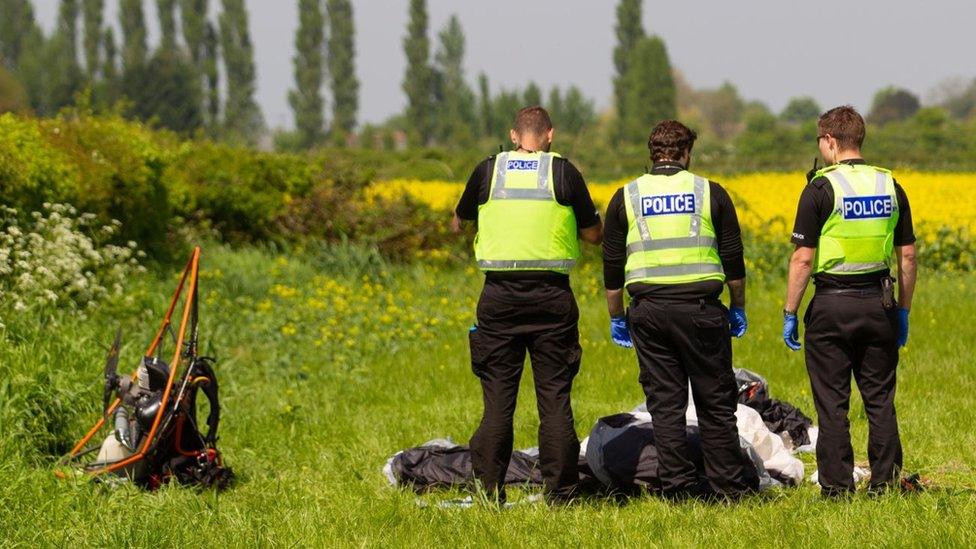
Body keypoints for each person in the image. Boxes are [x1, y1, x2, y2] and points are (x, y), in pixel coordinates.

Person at [451, 106, 603, 503]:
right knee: (554, 401)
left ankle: (489, 494)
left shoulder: (488, 170)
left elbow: (458, 221)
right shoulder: (563, 172)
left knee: (498, 404)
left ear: (514, 135)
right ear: (550, 135)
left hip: (499, 297)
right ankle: (562, 494)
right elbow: (594, 235)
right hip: (552, 297)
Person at [602, 120, 758, 500]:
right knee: (715, 403)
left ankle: (677, 490)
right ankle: (728, 490)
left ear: (652, 153)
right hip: (702, 311)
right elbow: (733, 259)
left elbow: (612, 266)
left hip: (649, 313)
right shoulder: (710, 192)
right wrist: (737, 306)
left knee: (666, 406)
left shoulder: (626, 196)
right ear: (686, 153)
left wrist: (616, 316)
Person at [783, 105, 917, 497]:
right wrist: (903, 311)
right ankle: (885, 484)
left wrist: (790, 311)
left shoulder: (820, 188)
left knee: (832, 403)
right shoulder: (890, 185)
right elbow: (907, 256)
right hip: (879, 304)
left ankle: (838, 487)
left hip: (831, 305)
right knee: (880, 400)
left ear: (829, 140)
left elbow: (802, 259)